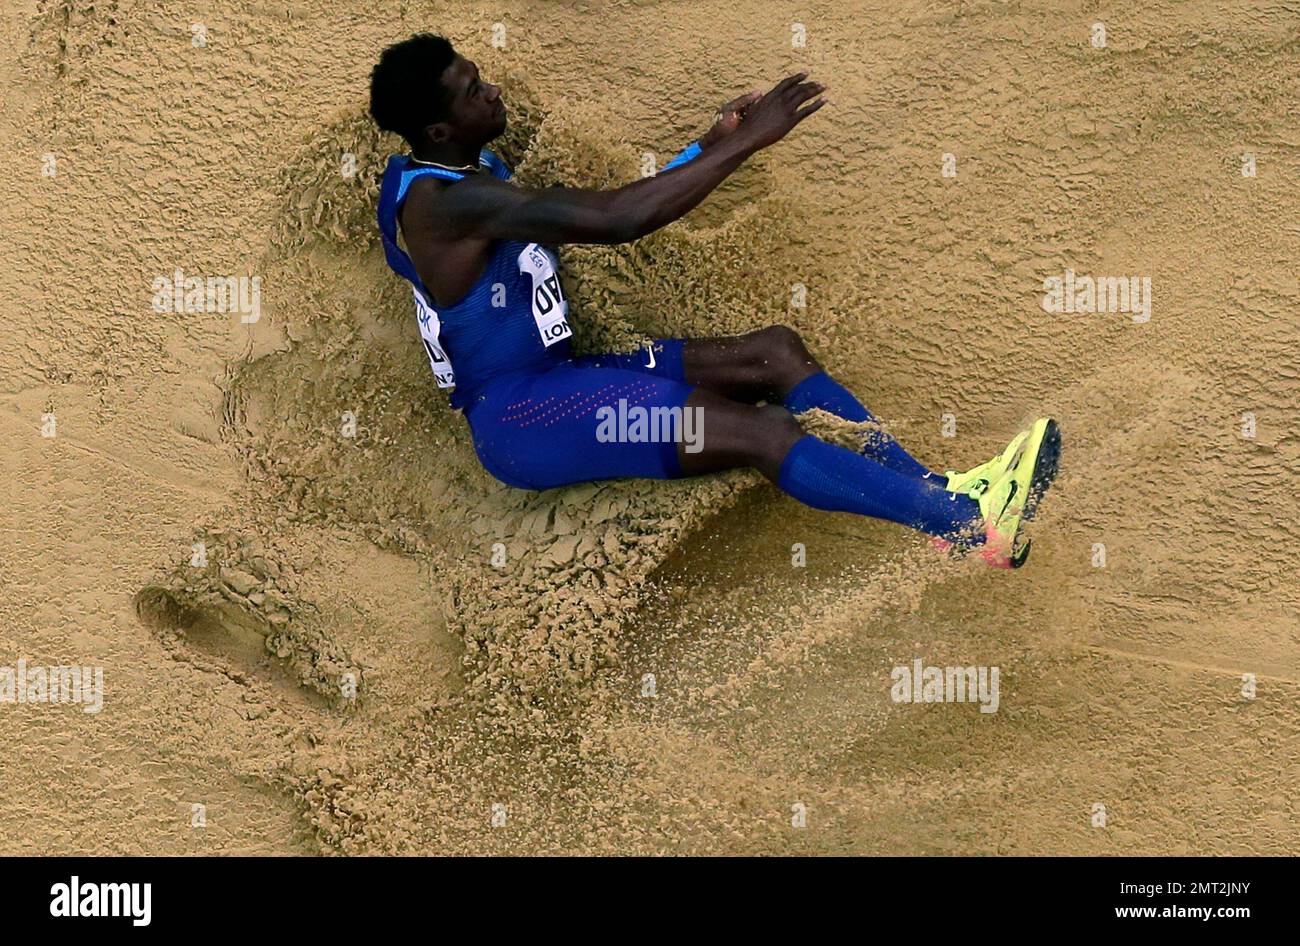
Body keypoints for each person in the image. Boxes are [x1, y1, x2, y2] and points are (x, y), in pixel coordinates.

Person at [368, 34, 1060, 567]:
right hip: (527, 414)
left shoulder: (456, 170)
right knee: (764, 433)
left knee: (773, 355)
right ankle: (972, 528)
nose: (490, 93)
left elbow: (600, 211)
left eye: (478, 78)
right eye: (470, 92)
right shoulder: (446, 205)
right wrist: (751, 143)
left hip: (561, 378)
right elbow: (616, 221)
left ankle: (945, 499)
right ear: (437, 130)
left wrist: (704, 146)